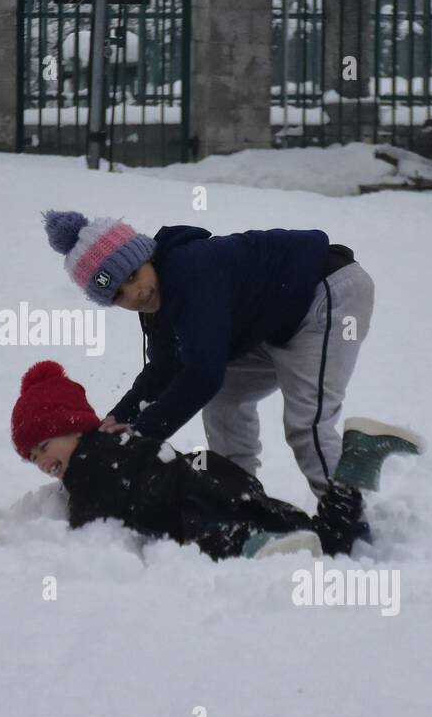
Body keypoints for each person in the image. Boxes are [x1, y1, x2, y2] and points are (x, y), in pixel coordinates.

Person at [41, 209, 377, 540]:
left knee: (306, 420)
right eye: (118, 295)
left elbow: (203, 374)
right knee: (225, 398)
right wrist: (116, 423)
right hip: (275, 323)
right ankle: (241, 499)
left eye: (132, 276)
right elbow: (163, 369)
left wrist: (140, 436)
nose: (135, 294)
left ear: (147, 257)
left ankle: (343, 517)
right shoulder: (158, 300)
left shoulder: (190, 270)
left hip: (327, 293)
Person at [11, 361, 422, 559]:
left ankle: (251, 544)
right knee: (322, 539)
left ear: (74, 428)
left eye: (45, 447)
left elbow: (93, 522)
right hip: (210, 475)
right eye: (33, 458)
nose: (42, 462)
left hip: (187, 496)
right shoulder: (115, 444)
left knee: (217, 535)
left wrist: (73, 527)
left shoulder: (90, 461)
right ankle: (354, 468)